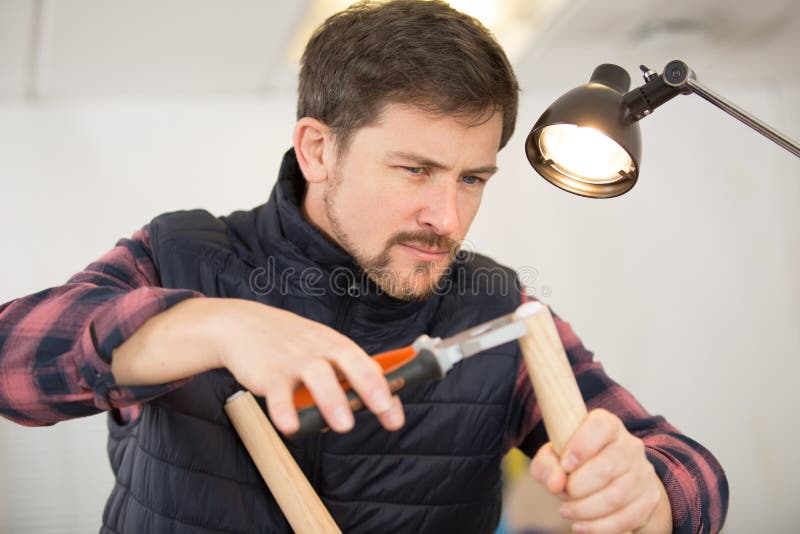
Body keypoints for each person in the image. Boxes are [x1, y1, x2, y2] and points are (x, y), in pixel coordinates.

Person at [0, 1, 727, 533]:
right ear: (318, 150)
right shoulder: (178, 254)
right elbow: (12, 363)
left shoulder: (497, 311)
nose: (447, 217)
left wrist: (650, 490)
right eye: (415, 169)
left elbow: (692, 469)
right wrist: (209, 325)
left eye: (473, 179)